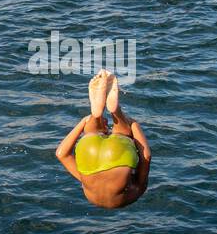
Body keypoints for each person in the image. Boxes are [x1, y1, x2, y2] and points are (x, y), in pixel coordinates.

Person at [55, 70, 151, 209]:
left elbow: (146, 155)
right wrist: (83, 122)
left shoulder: (136, 192)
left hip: (118, 154)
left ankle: (115, 110)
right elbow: (61, 154)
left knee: (124, 134)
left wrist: (133, 124)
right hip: (90, 153)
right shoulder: (84, 182)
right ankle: (95, 115)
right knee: (92, 132)